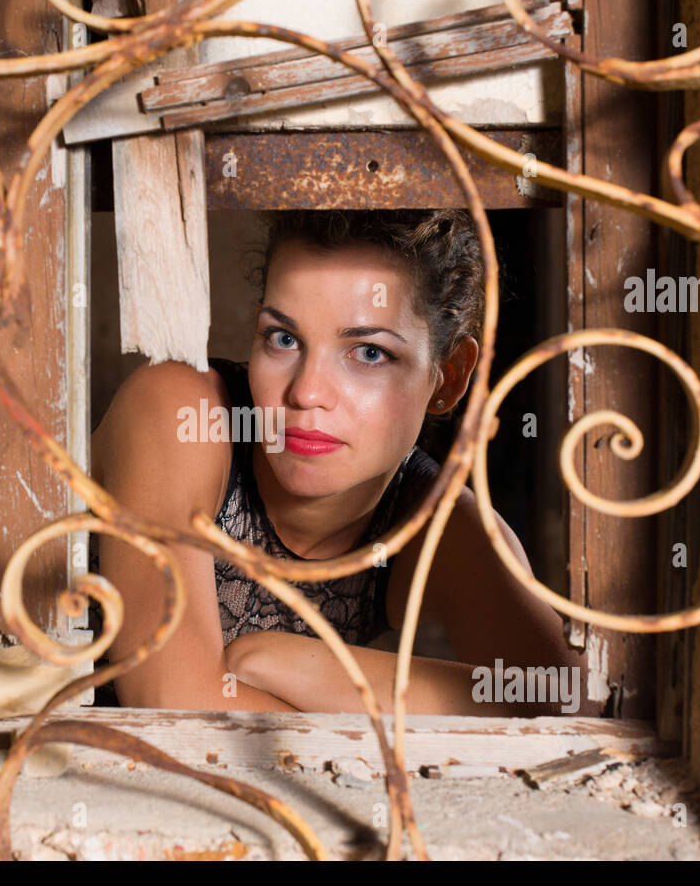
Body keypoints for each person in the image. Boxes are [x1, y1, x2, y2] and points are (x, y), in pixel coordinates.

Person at [90, 209, 577, 716]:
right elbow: (179, 709)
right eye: (283, 339)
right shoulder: (181, 411)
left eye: (368, 352)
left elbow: (562, 702)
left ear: (449, 377)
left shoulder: (438, 526)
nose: (306, 393)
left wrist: (285, 660)